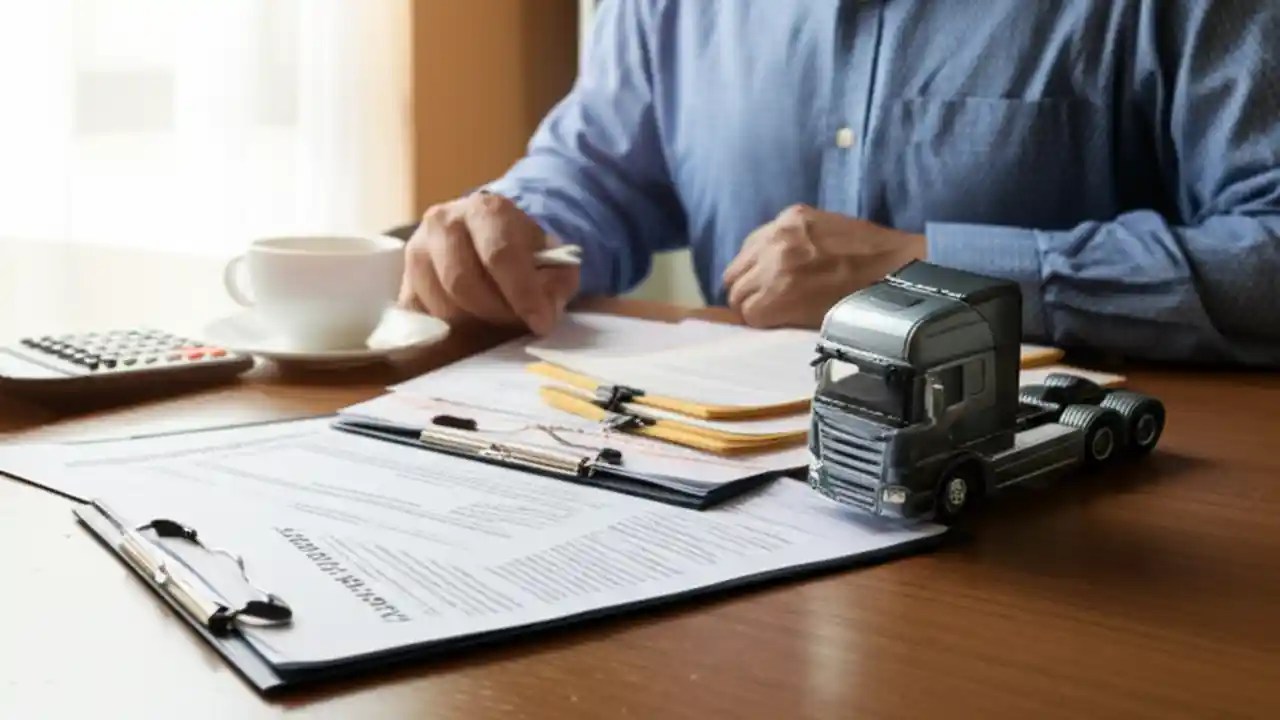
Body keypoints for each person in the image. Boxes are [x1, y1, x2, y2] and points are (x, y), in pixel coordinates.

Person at [398, 1, 1280, 365]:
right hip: (734, 502)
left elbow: (1269, 250)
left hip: (1082, 531)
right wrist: (512, 233)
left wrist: (929, 277)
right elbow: (596, 173)